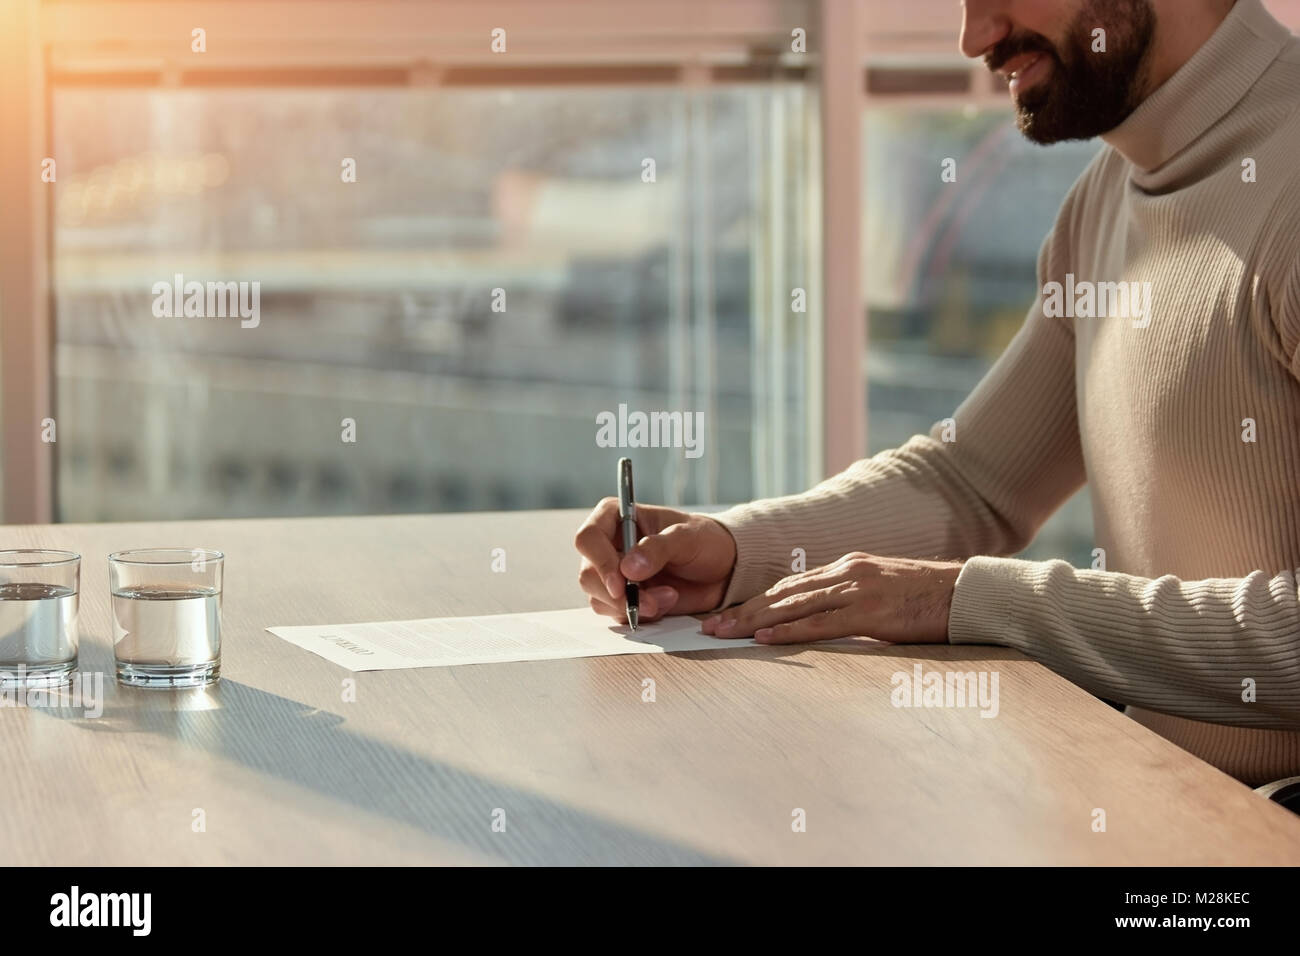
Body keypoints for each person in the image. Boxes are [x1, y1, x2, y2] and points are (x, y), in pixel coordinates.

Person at [574, 0, 1300, 788]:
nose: (975, 37)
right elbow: (973, 479)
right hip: (1167, 818)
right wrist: (739, 552)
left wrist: (976, 600)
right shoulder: (1106, 199)